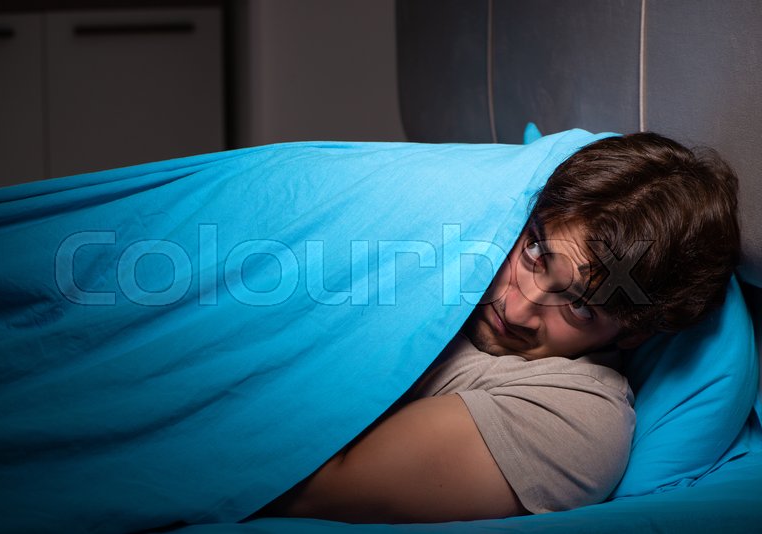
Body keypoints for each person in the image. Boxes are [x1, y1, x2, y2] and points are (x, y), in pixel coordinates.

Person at [249, 132, 741, 523]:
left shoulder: (575, 419)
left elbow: (307, 488)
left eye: (580, 308)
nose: (519, 308)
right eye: (533, 253)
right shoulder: (457, 238)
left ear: (633, 333)